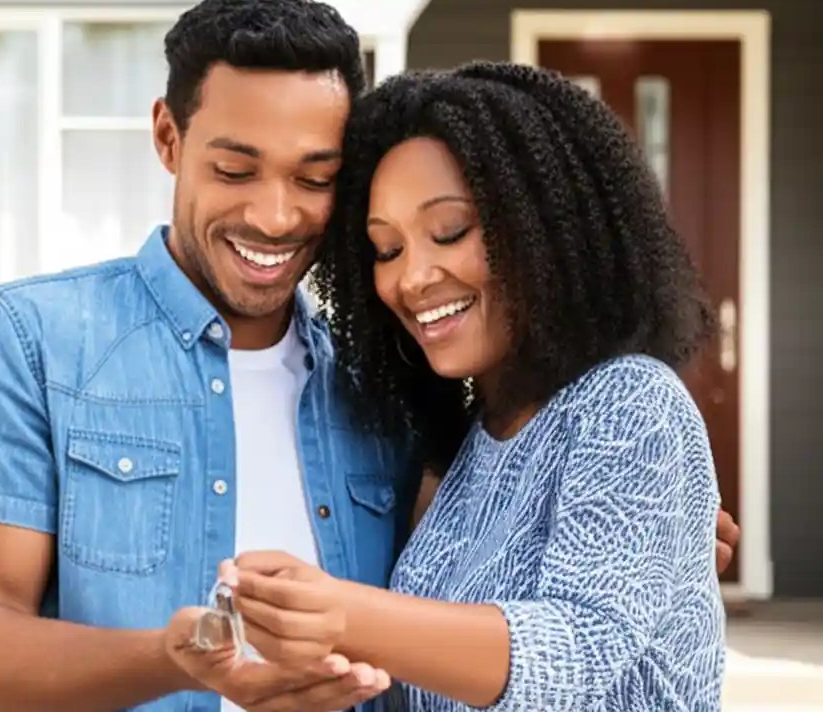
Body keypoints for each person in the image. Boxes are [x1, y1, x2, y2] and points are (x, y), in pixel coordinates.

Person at [0, 0, 739, 710]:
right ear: (168, 138)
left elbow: (563, 624)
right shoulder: (31, 341)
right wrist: (178, 662)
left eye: (315, 179)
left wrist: (649, 535)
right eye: (236, 168)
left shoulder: (378, 392)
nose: (275, 216)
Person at [225, 61, 728, 710]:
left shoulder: (631, 404)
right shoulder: (472, 445)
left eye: (450, 232)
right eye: (387, 249)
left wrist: (341, 612)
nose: (412, 279)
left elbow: (572, 652)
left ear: (542, 228)